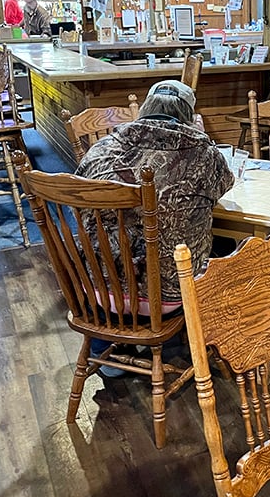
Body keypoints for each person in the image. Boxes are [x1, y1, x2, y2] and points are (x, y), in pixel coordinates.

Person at [75, 80, 234, 376]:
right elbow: (224, 186)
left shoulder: (101, 149)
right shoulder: (203, 154)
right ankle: (209, 341)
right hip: (165, 298)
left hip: (97, 291)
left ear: (145, 110)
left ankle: (104, 346)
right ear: (189, 116)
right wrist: (200, 135)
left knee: (113, 243)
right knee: (228, 247)